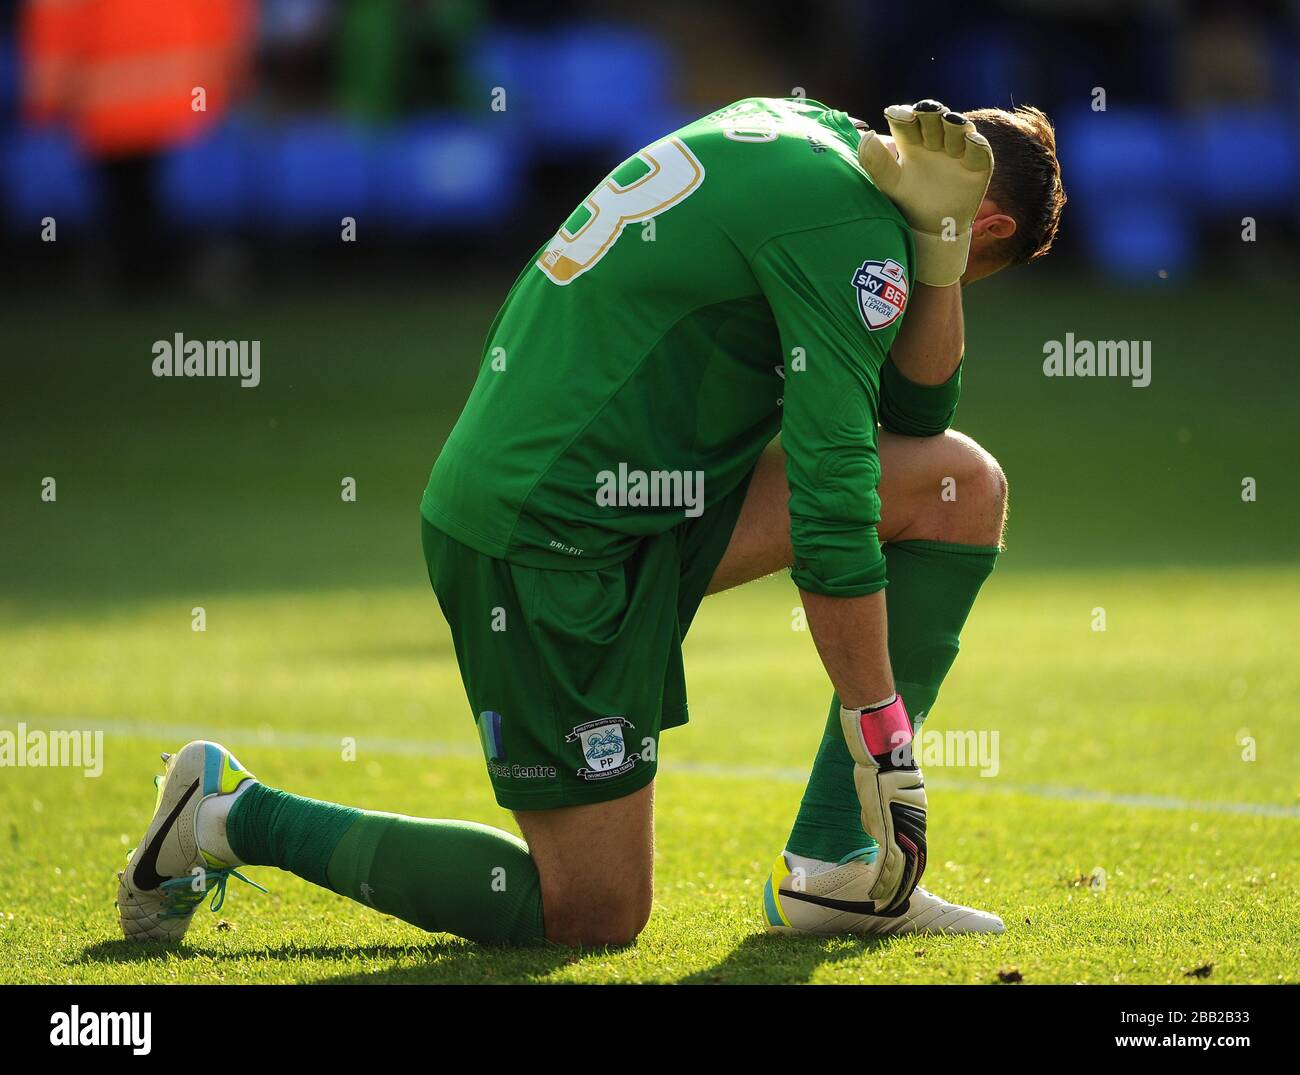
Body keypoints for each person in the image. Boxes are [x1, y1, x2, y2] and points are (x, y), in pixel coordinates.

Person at [118, 97, 1065, 946]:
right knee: (594, 912)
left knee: (955, 486)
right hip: (545, 532)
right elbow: (832, 504)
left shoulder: (808, 130)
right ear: (990, 223)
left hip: (638, 496)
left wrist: (938, 260)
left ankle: (837, 871)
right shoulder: (850, 233)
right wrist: (881, 731)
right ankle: (229, 813)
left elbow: (918, 420)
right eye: (976, 271)